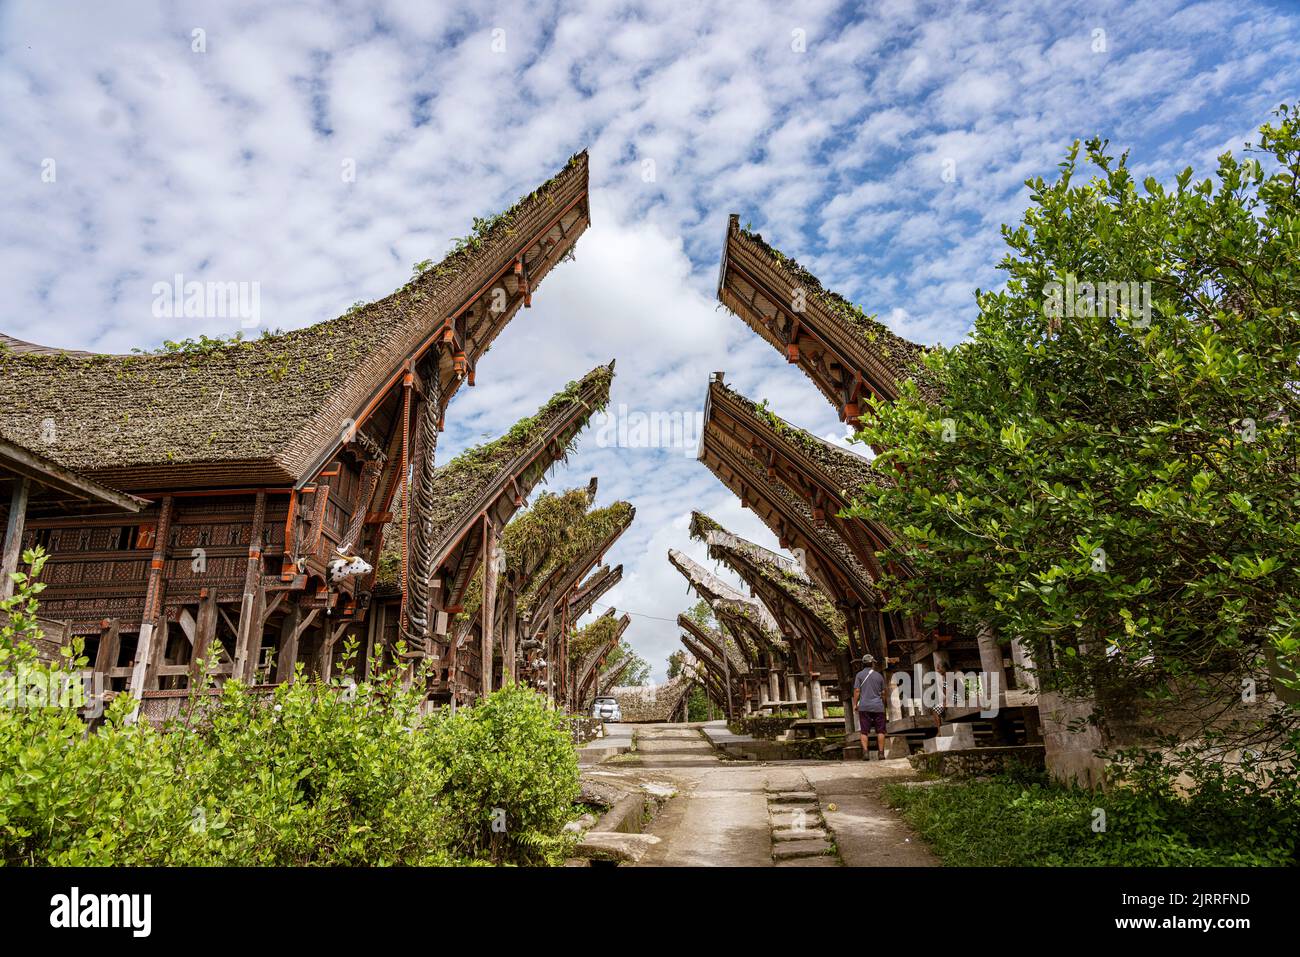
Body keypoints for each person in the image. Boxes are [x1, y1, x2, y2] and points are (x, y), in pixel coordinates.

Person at [853, 654, 888, 760]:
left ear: (863, 664)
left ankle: (865, 753)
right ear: (873, 663)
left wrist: (855, 704)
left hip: (864, 706)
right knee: (881, 731)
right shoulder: (879, 676)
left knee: (864, 731)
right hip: (878, 707)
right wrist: (883, 704)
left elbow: (857, 690)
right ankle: (881, 753)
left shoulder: (859, 675)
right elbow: (883, 693)